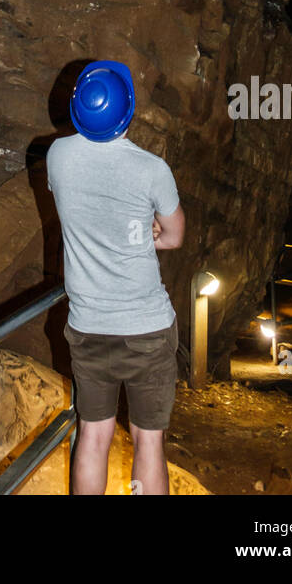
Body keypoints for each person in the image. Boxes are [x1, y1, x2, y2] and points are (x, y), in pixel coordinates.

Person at [47, 59, 185, 496]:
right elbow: (175, 236)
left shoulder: (58, 156)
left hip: (88, 328)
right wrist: (146, 237)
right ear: (129, 110)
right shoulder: (152, 170)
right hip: (146, 329)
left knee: (93, 436)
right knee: (148, 442)